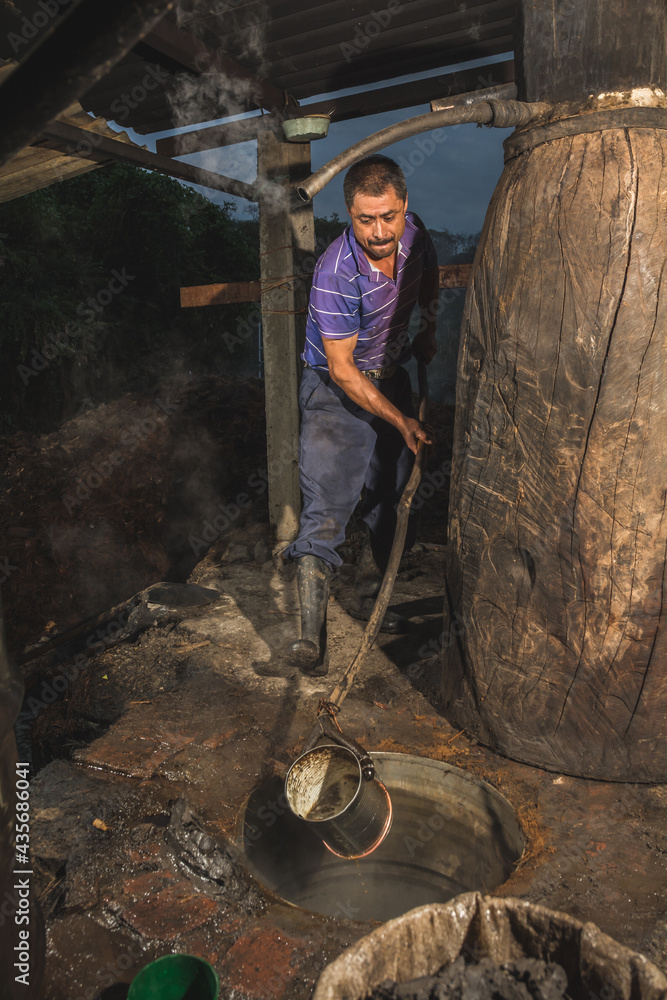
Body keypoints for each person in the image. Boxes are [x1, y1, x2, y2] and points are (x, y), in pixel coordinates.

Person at [284, 154, 438, 676]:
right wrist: (403, 421)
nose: (378, 232)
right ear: (349, 214)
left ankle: (373, 597)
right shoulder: (336, 271)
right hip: (336, 390)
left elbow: (429, 271)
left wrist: (428, 330)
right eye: (365, 220)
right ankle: (310, 641)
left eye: (388, 216)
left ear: (405, 207)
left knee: (393, 495)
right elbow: (344, 370)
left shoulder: (416, 234)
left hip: (390, 376)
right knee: (326, 508)